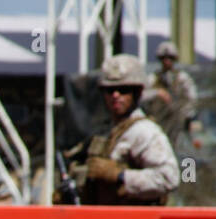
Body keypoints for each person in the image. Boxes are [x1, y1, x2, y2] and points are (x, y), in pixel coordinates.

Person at [73, 54, 179, 205]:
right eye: (110, 90)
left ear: (136, 93)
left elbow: (169, 177)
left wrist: (121, 176)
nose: (116, 95)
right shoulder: (108, 131)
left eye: (123, 90)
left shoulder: (145, 131)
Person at [143, 40, 196, 146]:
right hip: (157, 123)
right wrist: (157, 93)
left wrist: (185, 116)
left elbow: (191, 99)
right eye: (164, 58)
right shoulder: (152, 79)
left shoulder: (182, 79)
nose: (167, 61)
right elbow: (143, 97)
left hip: (177, 124)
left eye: (170, 58)